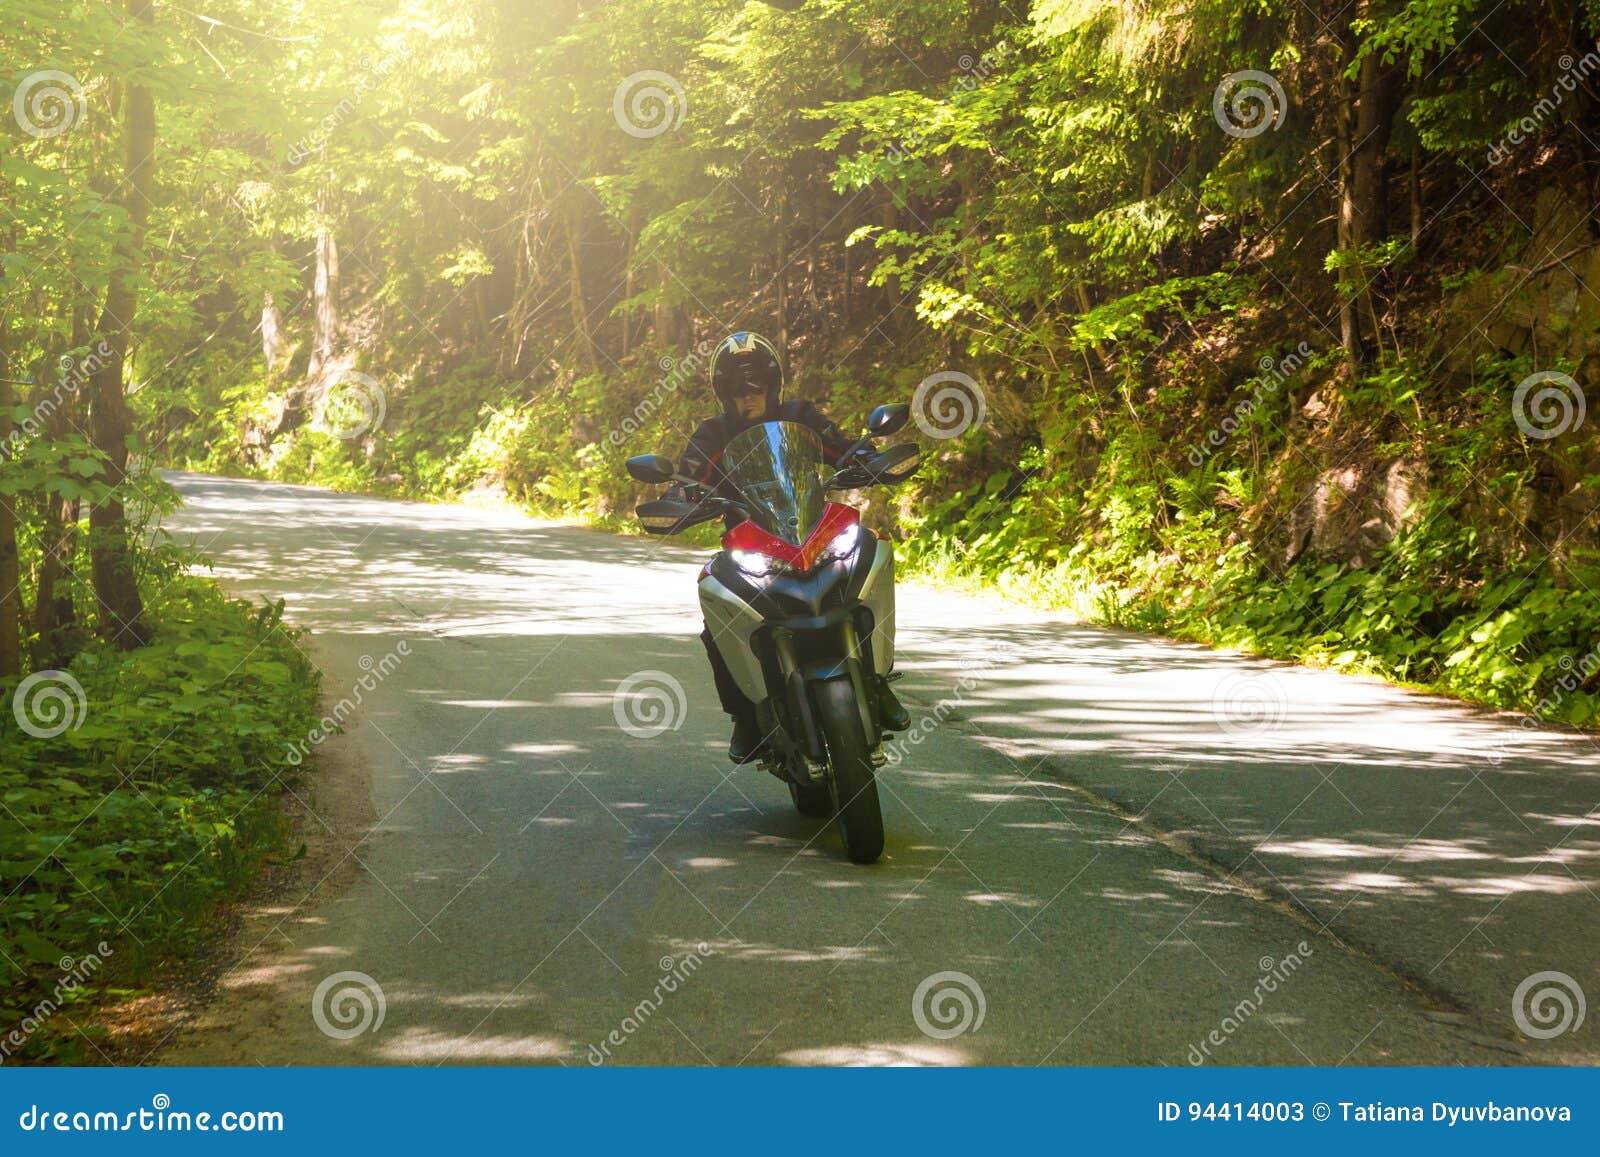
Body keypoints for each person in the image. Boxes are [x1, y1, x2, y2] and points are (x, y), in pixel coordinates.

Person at [669, 331, 910, 762]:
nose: (748, 398)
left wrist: (866, 459)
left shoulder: (800, 417)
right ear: (723, 394)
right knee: (717, 618)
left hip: (812, 530)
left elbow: (843, 448)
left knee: (869, 561)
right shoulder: (712, 435)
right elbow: (686, 481)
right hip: (751, 544)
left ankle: (877, 682)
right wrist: (679, 499)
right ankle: (745, 715)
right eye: (738, 390)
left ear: (773, 384)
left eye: (756, 388)